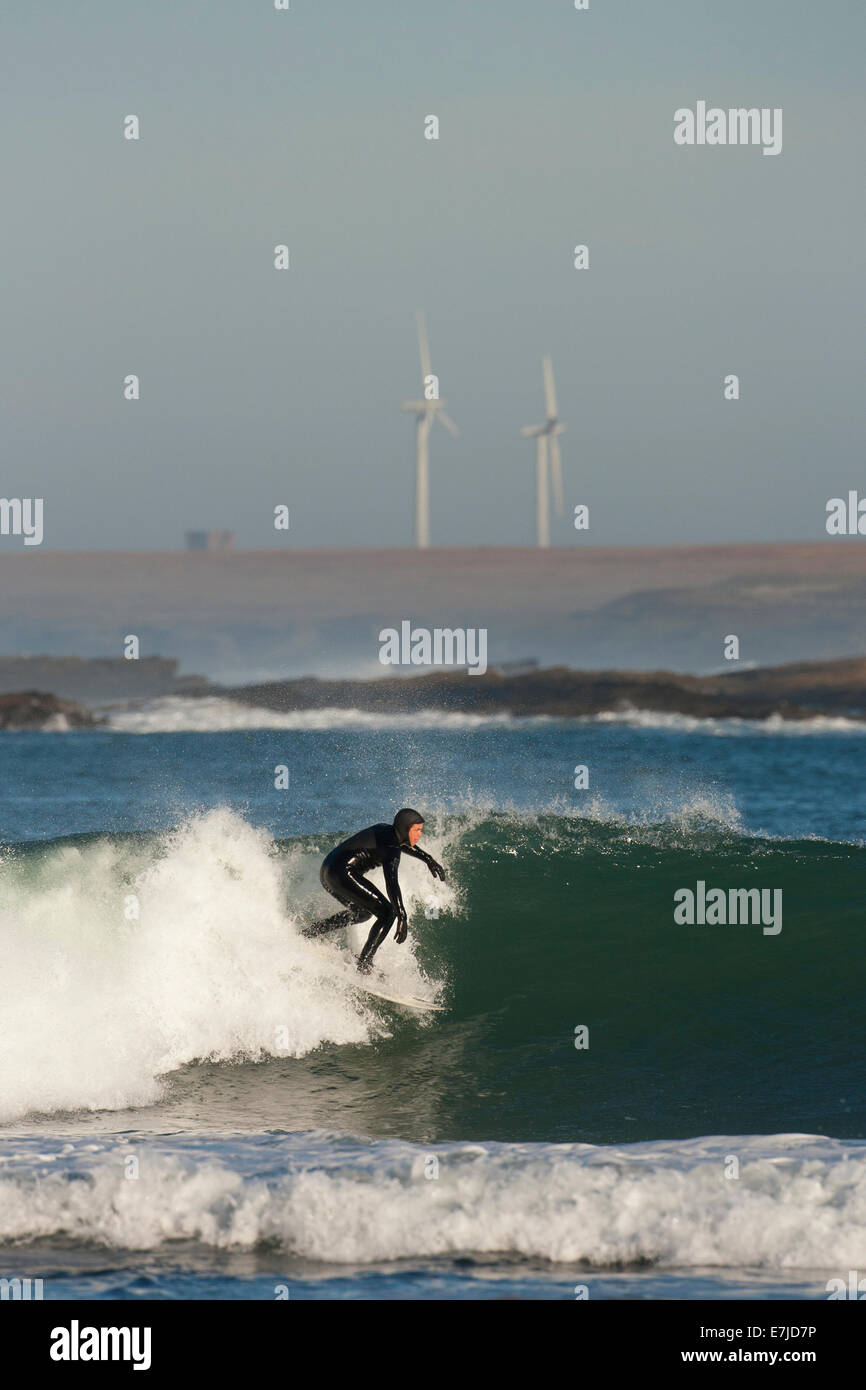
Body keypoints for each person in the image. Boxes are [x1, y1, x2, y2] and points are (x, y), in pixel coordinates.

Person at [303, 808, 445, 972]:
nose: (420, 835)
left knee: (362, 913)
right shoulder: (392, 849)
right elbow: (391, 883)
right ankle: (364, 964)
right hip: (342, 872)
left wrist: (428, 859)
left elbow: (402, 844)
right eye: (417, 830)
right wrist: (402, 916)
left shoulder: (386, 831)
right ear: (406, 829)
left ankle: (309, 933)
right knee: (388, 913)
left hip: (328, 871)